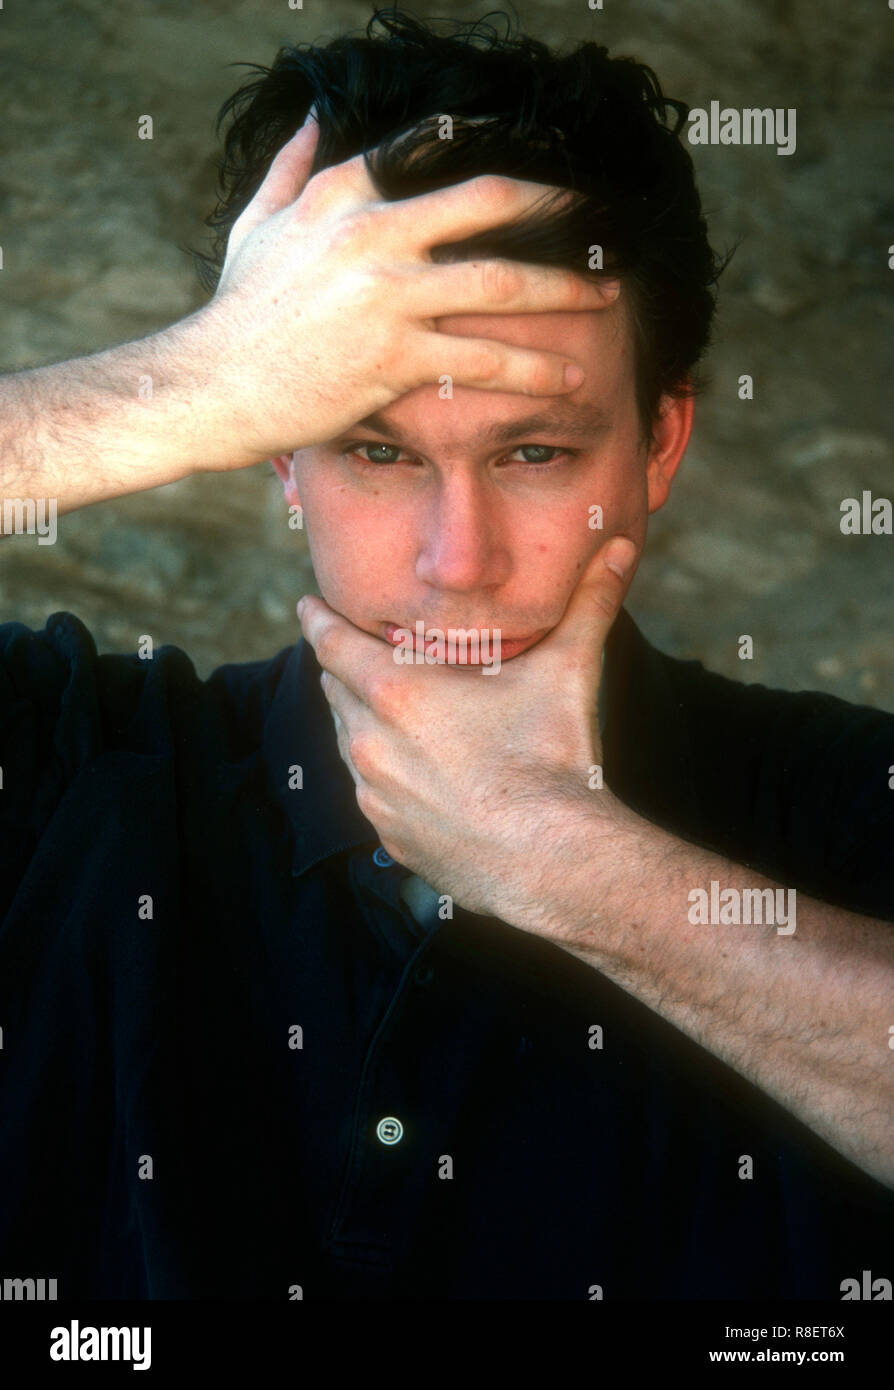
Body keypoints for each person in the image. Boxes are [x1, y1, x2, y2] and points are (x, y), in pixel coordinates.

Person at [0, 9, 891, 1301]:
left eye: (533, 451)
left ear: (658, 447)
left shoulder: (842, 799)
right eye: (375, 449)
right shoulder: (74, 769)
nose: (455, 558)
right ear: (277, 455)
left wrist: (567, 866)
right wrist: (186, 381)